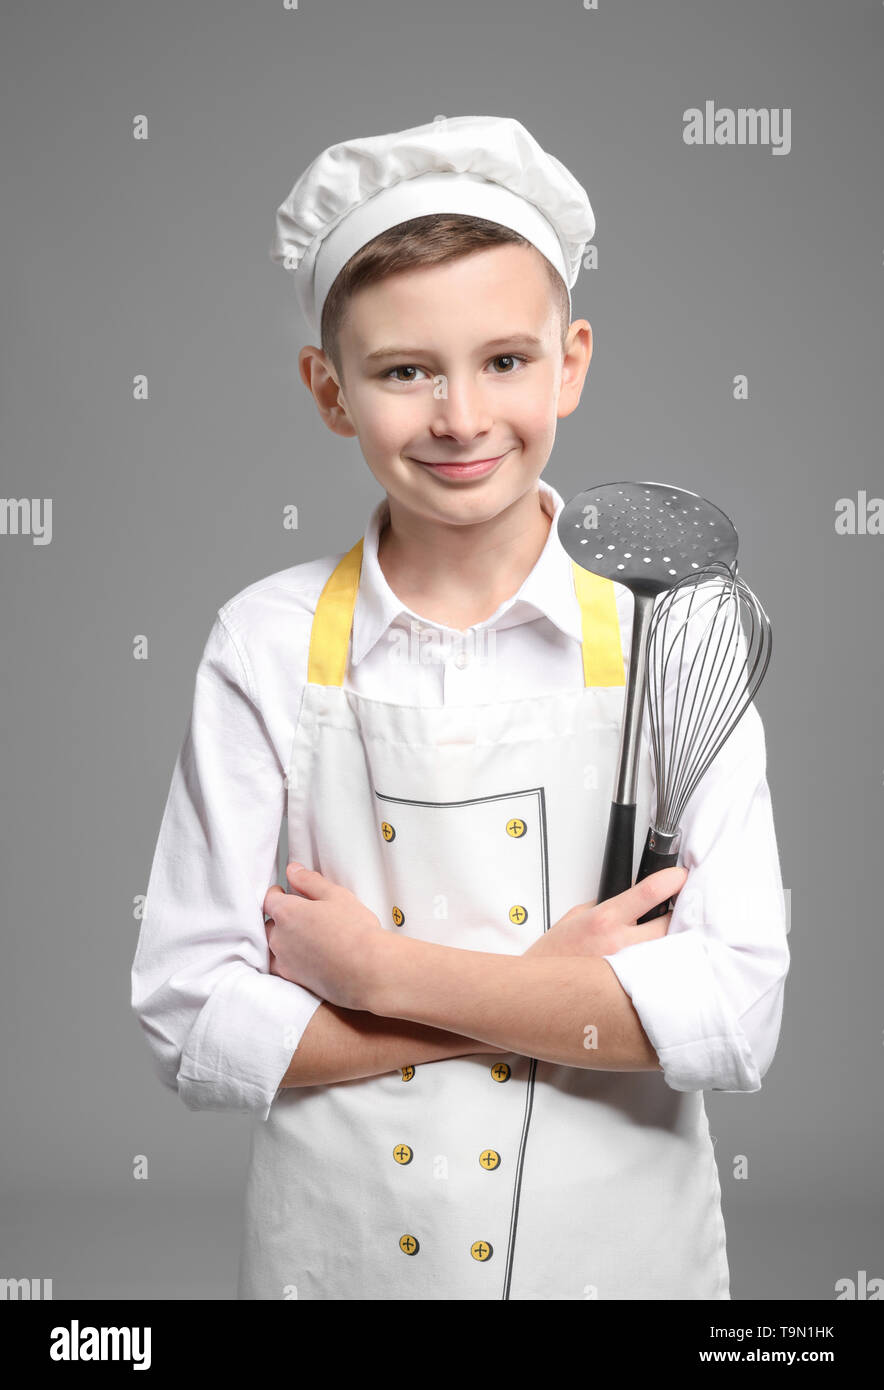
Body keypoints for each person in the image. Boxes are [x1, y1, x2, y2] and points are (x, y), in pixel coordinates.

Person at [131, 115, 790, 1301]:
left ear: (569, 363)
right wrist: (556, 987)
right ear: (328, 390)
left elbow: (732, 1016)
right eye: (401, 371)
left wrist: (376, 970)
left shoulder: (674, 633)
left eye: (503, 360)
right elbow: (191, 1020)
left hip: (619, 1264)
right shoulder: (265, 644)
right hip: (344, 1264)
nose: (458, 417)